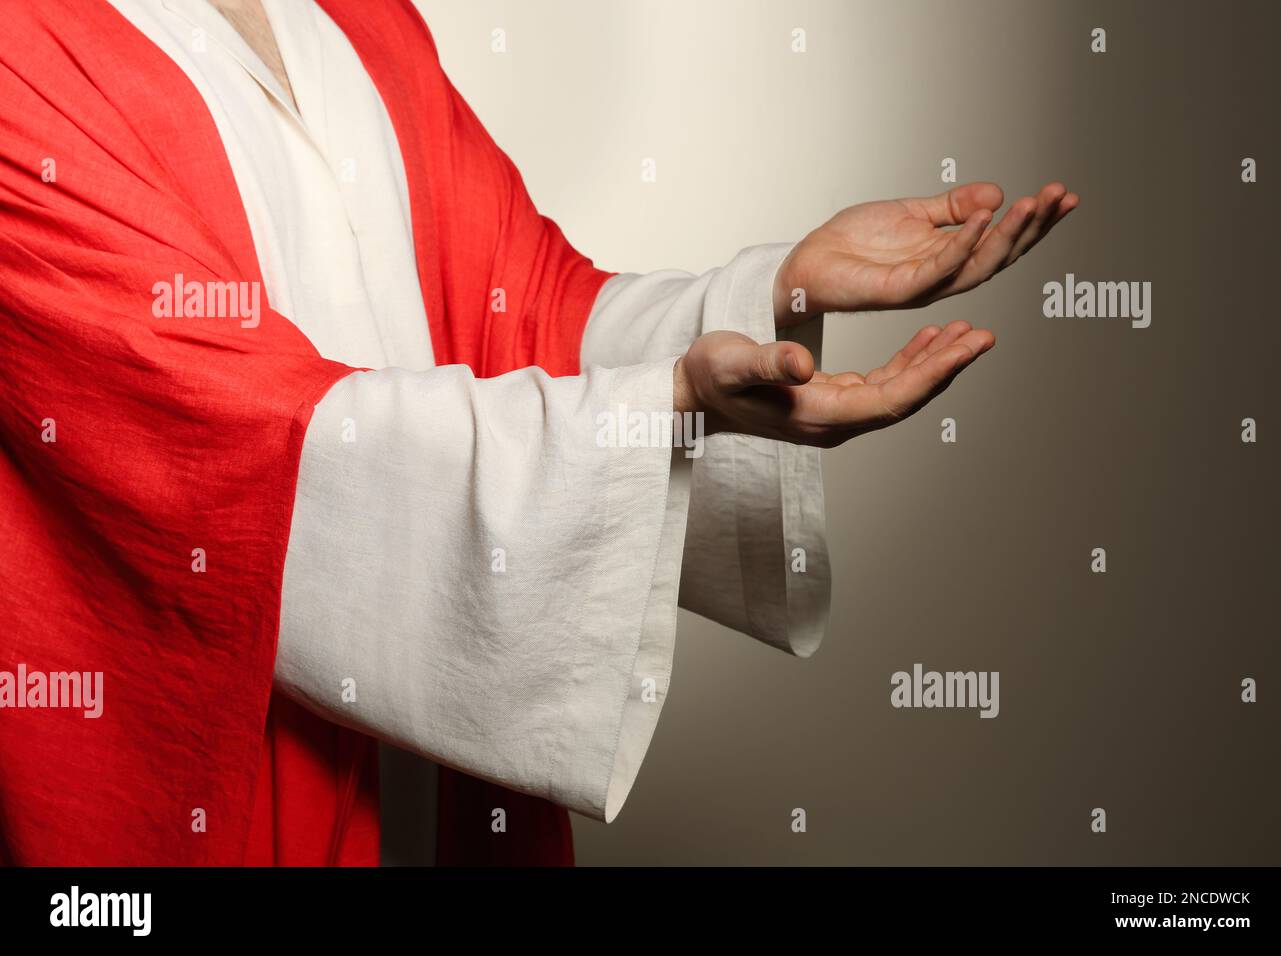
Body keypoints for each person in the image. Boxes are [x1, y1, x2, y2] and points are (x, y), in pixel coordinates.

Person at [0, 0, 1076, 865]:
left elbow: (530, 315)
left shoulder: (363, 23)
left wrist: (773, 294)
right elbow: (233, 427)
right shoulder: (23, 51)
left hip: (431, 793)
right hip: (216, 788)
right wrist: (660, 405)